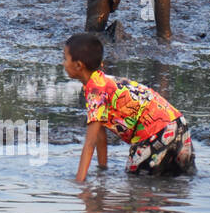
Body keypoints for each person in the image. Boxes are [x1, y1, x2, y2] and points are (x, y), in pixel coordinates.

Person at [64, 32, 196, 182]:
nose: (63, 63)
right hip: (177, 122)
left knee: (137, 182)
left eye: (65, 58)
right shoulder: (104, 82)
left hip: (153, 133)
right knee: (184, 179)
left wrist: (79, 183)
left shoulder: (96, 93)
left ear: (78, 65)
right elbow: (100, 137)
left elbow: (89, 143)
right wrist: (103, 171)